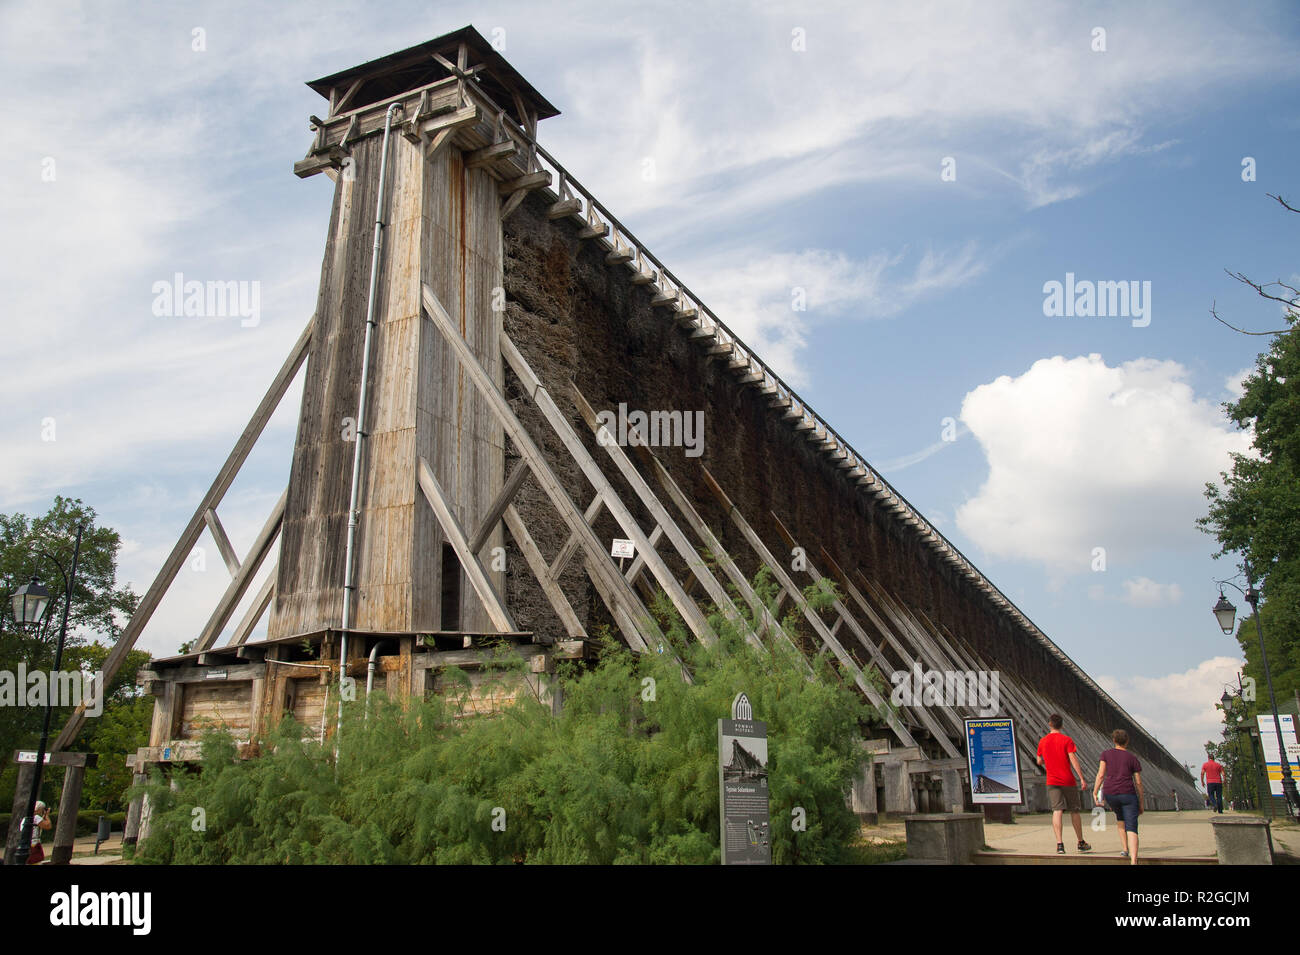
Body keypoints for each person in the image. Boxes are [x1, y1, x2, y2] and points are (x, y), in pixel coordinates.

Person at [1036, 713, 1091, 854]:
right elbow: (1073, 759)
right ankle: (1080, 842)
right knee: (1074, 810)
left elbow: (1039, 761)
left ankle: (1060, 844)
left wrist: (1046, 760)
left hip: (1052, 780)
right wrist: (1082, 778)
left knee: (1057, 810)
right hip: (1068, 780)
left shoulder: (1043, 741)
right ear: (1062, 725)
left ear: (1049, 724)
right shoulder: (1067, 740)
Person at [1093, 729, 1144, 865]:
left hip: (1110, 793)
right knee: (1132, 826)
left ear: (1114, 740)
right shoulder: (1132, 758)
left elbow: (1101, 775)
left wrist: (1096, 791)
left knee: (1120, 818)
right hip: (1128, 793)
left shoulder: (1106, 754)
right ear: (1127, 741)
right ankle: (1133, 860)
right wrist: (1141, 802)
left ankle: (1125, 849)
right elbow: (1138, 782)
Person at [27, 800, 52, 865]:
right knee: (36, 861)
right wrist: (47, 815)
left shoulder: (27, 817)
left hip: (27, 842)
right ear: (39, 809)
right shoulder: (36, 817)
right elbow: (48, 826)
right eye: (42, 809)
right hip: (34, 843)